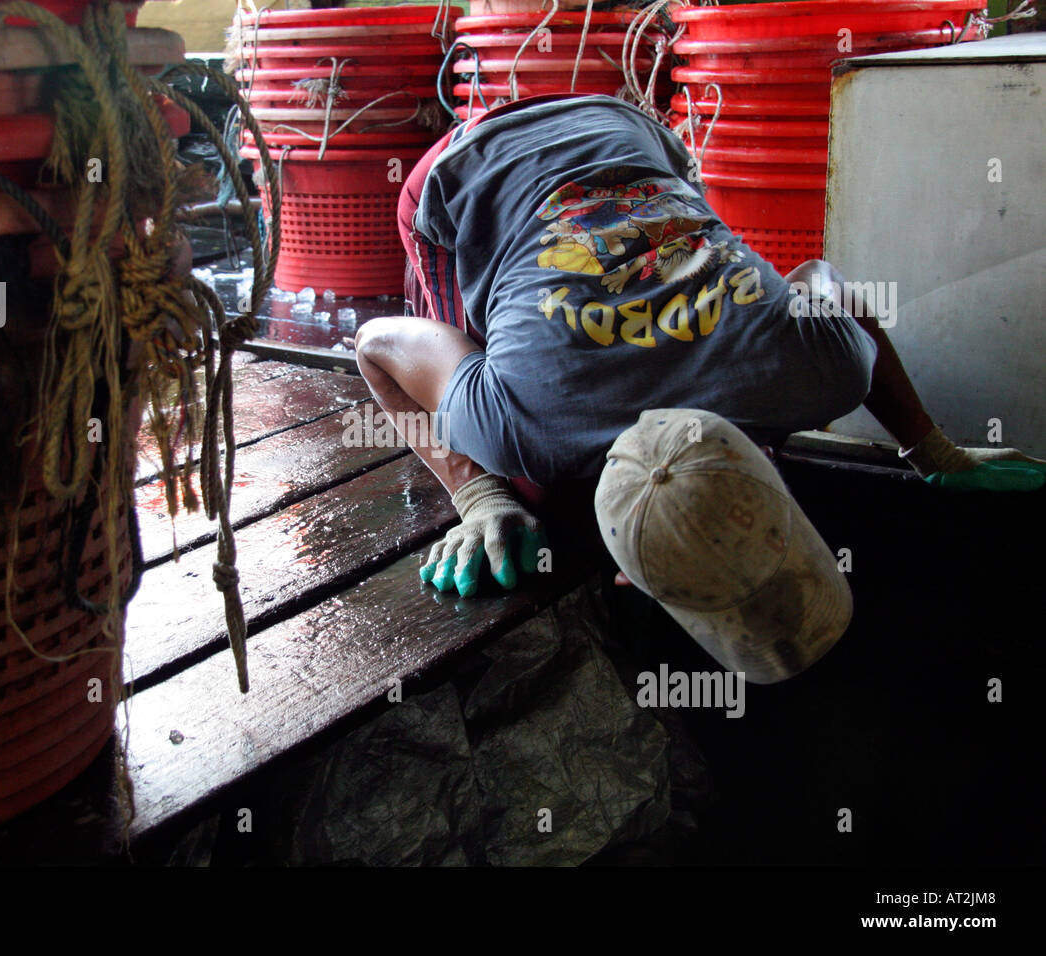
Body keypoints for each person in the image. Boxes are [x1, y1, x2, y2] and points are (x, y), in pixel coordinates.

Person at [351, 93, 1043, 678]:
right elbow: (378, 346)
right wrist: (476, 492)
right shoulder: (519, 429)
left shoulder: (818, 369)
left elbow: (820, 280)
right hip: (467, 168)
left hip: (626, 130)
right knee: (518, 485)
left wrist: (933, 452)